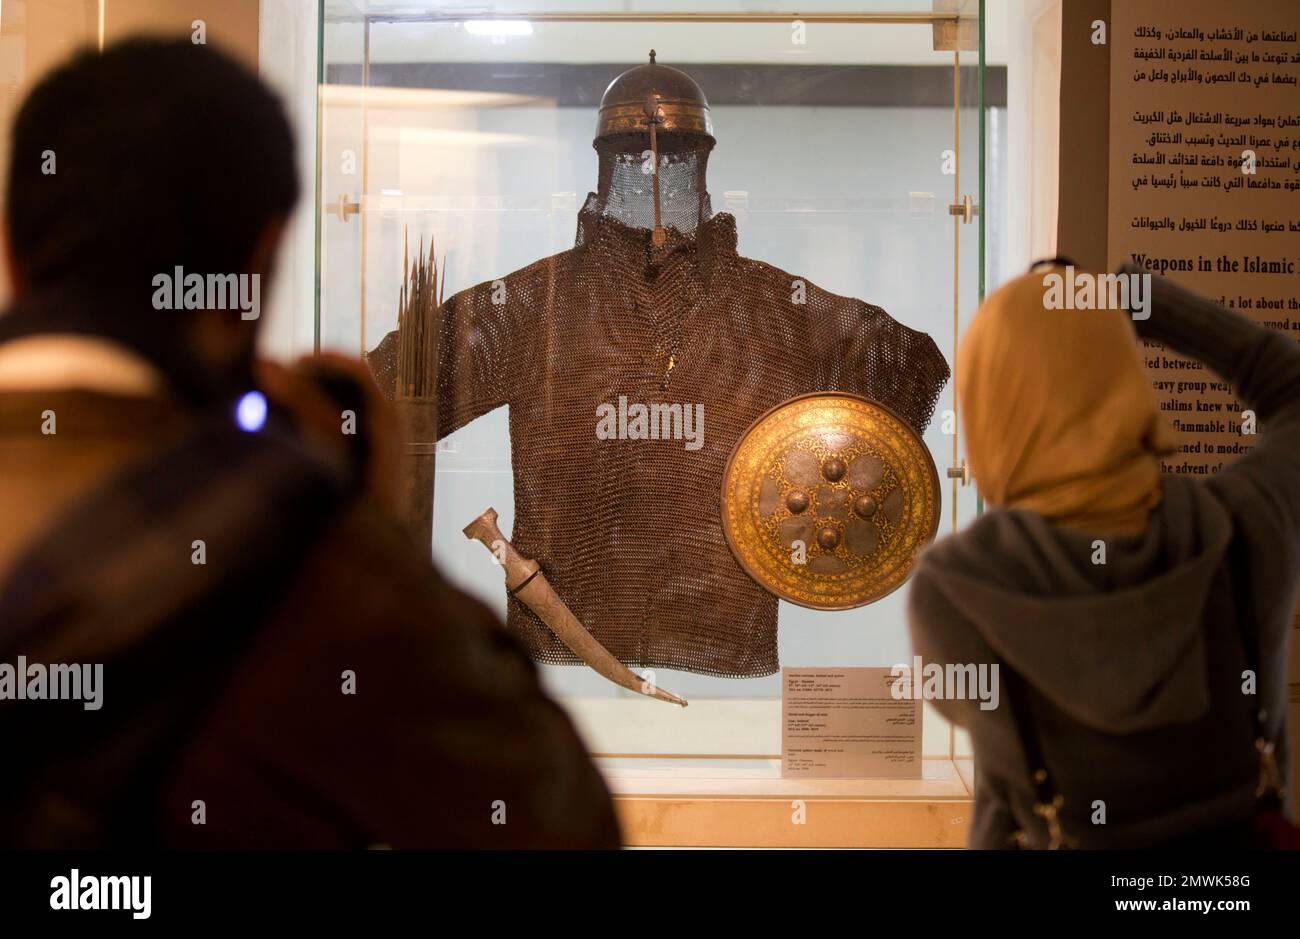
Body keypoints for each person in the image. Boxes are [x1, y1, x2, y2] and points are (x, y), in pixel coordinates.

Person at [0, 38, 619, 849]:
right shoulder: (307, 564)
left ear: (10, 244)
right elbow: (559, 822)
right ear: (262, 257)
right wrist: (371, 534)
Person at [908, 261, 1300, 849]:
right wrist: (1136, 299)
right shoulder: (1246, 523)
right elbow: (1289, 386)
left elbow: (1007, 783)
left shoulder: (957, 591)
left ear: (987, 399)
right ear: (1125, 378)